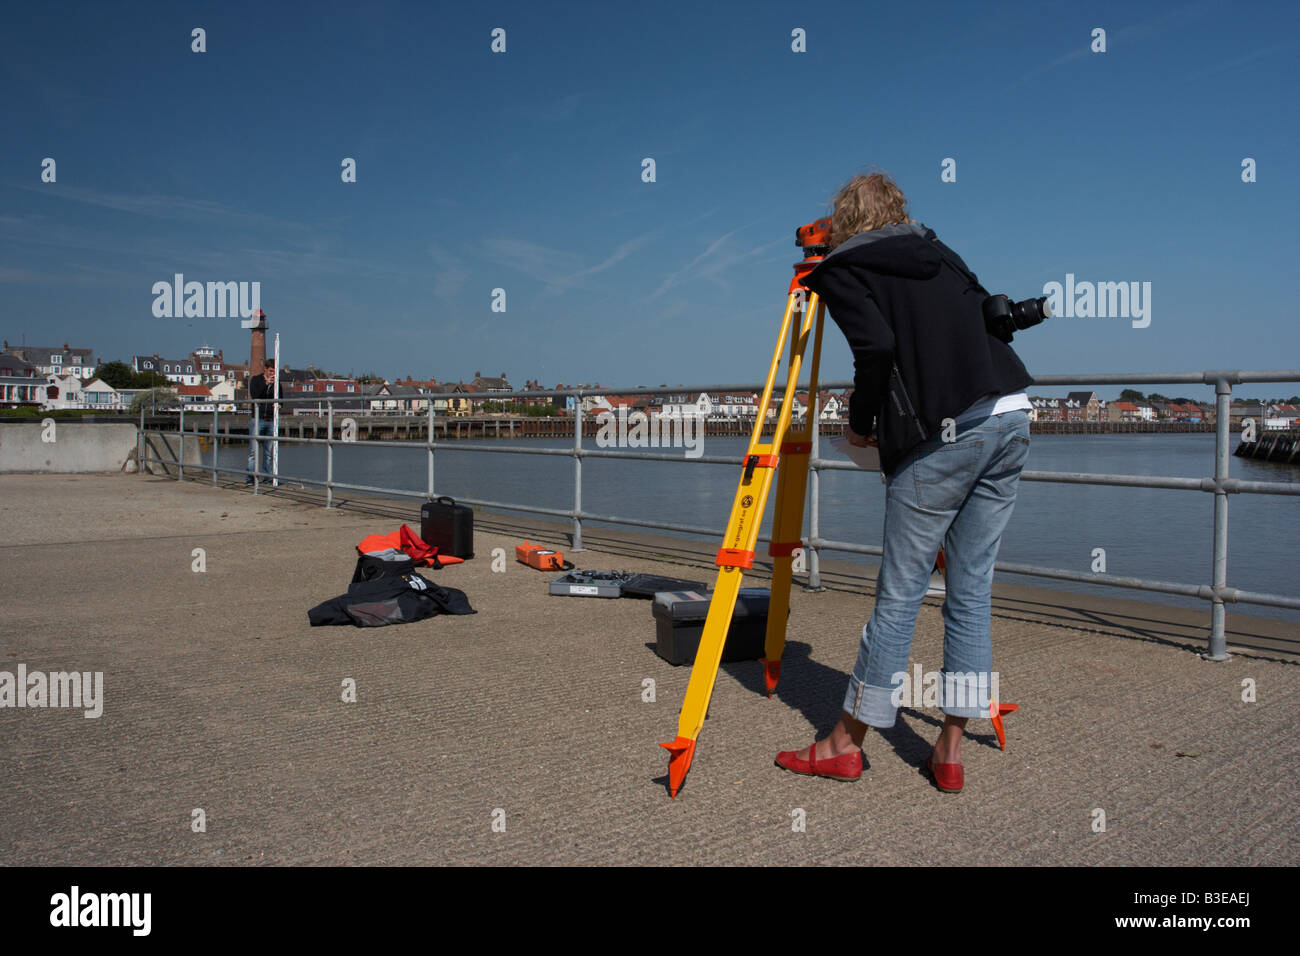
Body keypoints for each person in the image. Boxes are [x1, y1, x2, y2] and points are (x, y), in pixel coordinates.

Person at [775, 172, 1034, 793]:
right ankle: (948, 752)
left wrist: (861, 423)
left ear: (842, 220)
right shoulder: (939, 252)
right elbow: (991, 320)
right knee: (970, 594)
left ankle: (843, 745)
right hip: (1012, 415)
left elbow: (877, 348)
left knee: (899, 596)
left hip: (945, 436)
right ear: (898, 211)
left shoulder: (842, 267)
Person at [246, 357, 281, 484]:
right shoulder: (256, 380)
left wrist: (279, 405)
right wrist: (265, 384)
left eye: (275, 371)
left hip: (271, 420)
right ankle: (250, 478)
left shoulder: (277, 383)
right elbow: (255, 396)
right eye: (271, 371)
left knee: (269, 452)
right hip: (258, 419)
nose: (273, 374)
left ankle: (268, 477)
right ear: (265, 369)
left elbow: (280, 398)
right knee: (253, 452)